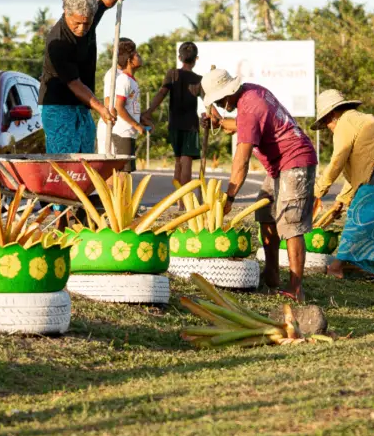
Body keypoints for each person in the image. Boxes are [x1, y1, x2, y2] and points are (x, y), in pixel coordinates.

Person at [201, 68, 318, 301]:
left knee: (291, 223)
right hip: (277, 165)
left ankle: (296, 287)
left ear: (230, 92)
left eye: (222, 100)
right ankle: (272, 274)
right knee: (265, 213)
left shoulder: (251, 106)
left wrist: (230, 197)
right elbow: (244, 125)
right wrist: (220, 122)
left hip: (295, 161)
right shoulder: (250, 93)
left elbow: (241, 161)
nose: (222, 105)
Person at [310, 89, 374, 283]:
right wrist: (341, 200)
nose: (328, 128)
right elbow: (356, 171)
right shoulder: (360, 120)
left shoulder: (345, 122)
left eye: (326, 123)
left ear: (332, 115)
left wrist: (318, 191)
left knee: (359, 220)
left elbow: (338, 160)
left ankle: (337, 267)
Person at [39, 0, 128, 153]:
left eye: (87, 24)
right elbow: (74, 84)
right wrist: (101, 108)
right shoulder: (58, 42)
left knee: (86, 148)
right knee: (66, 155)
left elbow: (103, 1)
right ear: (67, 13)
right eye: (77, 23)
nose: (82, 29)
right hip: (58, 104)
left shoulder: (89, 11)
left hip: (81, 103)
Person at [145, 41, 203, 198]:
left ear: (179, 57)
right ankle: (185, 201)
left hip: (174, 124)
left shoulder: (172, 74)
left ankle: (179, 202)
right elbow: (208, 101)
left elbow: (161, 93)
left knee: (178, 162)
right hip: (191, 126)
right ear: (196, 59)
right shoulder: (199, 79)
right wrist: (215, 117)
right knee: (186, 162)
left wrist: (149, 111)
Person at [98, 38, 147, 171]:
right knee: (114, 170)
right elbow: (110, 103)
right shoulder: (114, 75)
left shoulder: (127, 77)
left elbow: (130, 105)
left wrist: (141, 120)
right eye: (135, 53)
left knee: (124, 170)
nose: (139, 55)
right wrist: (134, 124)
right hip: (115, 128)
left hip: (127, 128)